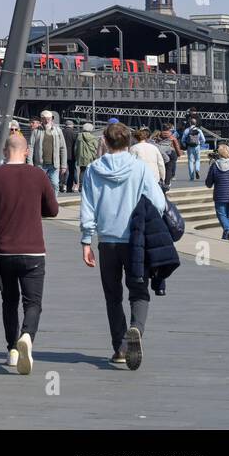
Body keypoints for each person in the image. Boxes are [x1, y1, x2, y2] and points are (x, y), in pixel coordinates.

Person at [0, 133, 59, 374]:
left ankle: (12, 350)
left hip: (3, 251)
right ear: (26, 151)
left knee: (9, 301)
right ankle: (27, 336)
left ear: (5, 151)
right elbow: (53, 209)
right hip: (34, 251)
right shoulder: (38, 175)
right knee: (33, 302)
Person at [79, 121, 167, 370]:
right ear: (128, 142)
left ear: (105, 142)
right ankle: (136, 328)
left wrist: (87, 240)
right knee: (139, 291)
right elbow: (159, 203)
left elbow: (88, 207)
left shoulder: (94, 170)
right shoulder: (139, 169)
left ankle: (119, 347)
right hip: (136, 240)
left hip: (107, 241)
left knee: (112, 295)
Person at [28, 111, 67, 193]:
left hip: (54, 165)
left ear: (52, 119)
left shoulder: (58, 131)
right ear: (41, 120)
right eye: (44, 119)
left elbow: (63, 148)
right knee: (39, 186)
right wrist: (30, 163)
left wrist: (63, 165)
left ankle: (53, 204)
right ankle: (41, 204)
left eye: (48, 119)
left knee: (55, 185)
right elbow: (30, 147)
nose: (47, 121)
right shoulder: (36, 131)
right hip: (40, 165)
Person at [74, 122, 98, 191]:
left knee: (82, 171)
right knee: (91, 172)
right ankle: (89, 186)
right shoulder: (93, 137)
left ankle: (81, 186)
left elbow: (75, 148)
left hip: (81, 157)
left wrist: (76, 156)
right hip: (91, 157)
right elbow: (96, 147)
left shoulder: (79, 137)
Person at [61, 120, 79, 193]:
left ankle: (62, 185)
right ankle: (71, 186)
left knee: (63, 170)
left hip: (62, 154)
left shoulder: (61, 132)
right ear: (72, 125)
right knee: (72, 170)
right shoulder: (74, 133)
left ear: (65, 125)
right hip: (72, 155)